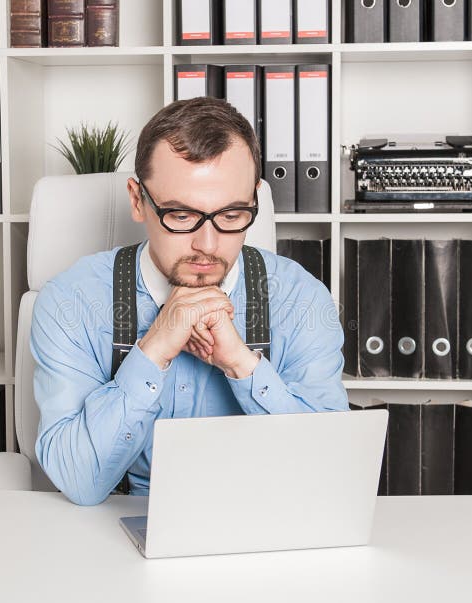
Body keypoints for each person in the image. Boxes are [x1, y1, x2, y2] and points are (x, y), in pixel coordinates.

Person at [31, 97, 348, 506]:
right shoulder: (69, 301)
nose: (208, 245)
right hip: (117, 527)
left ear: (254, 199)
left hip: (262, 519)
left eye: (232, 215)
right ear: (137, 200)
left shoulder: (302, 300)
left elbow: (329, 471)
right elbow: (78, 480)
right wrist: (155, 347)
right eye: (181, 216)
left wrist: (242, 365)